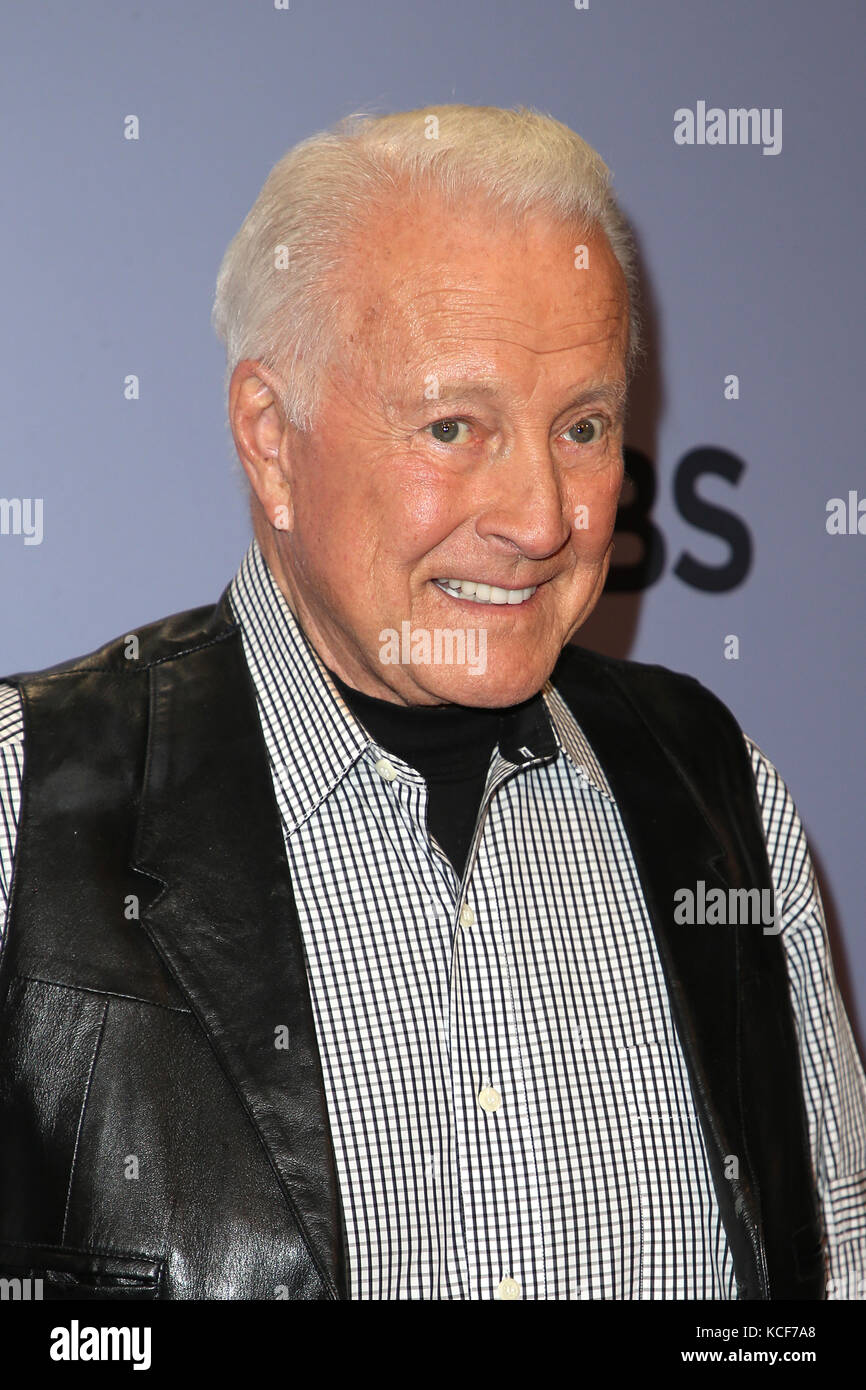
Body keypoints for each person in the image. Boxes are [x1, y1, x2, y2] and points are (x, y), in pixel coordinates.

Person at [0, 104, 864, 1302]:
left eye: (584, 427)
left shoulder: (722, 797)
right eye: (453, 427)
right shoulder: (22, 804)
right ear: (269, 436)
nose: (541, 516)